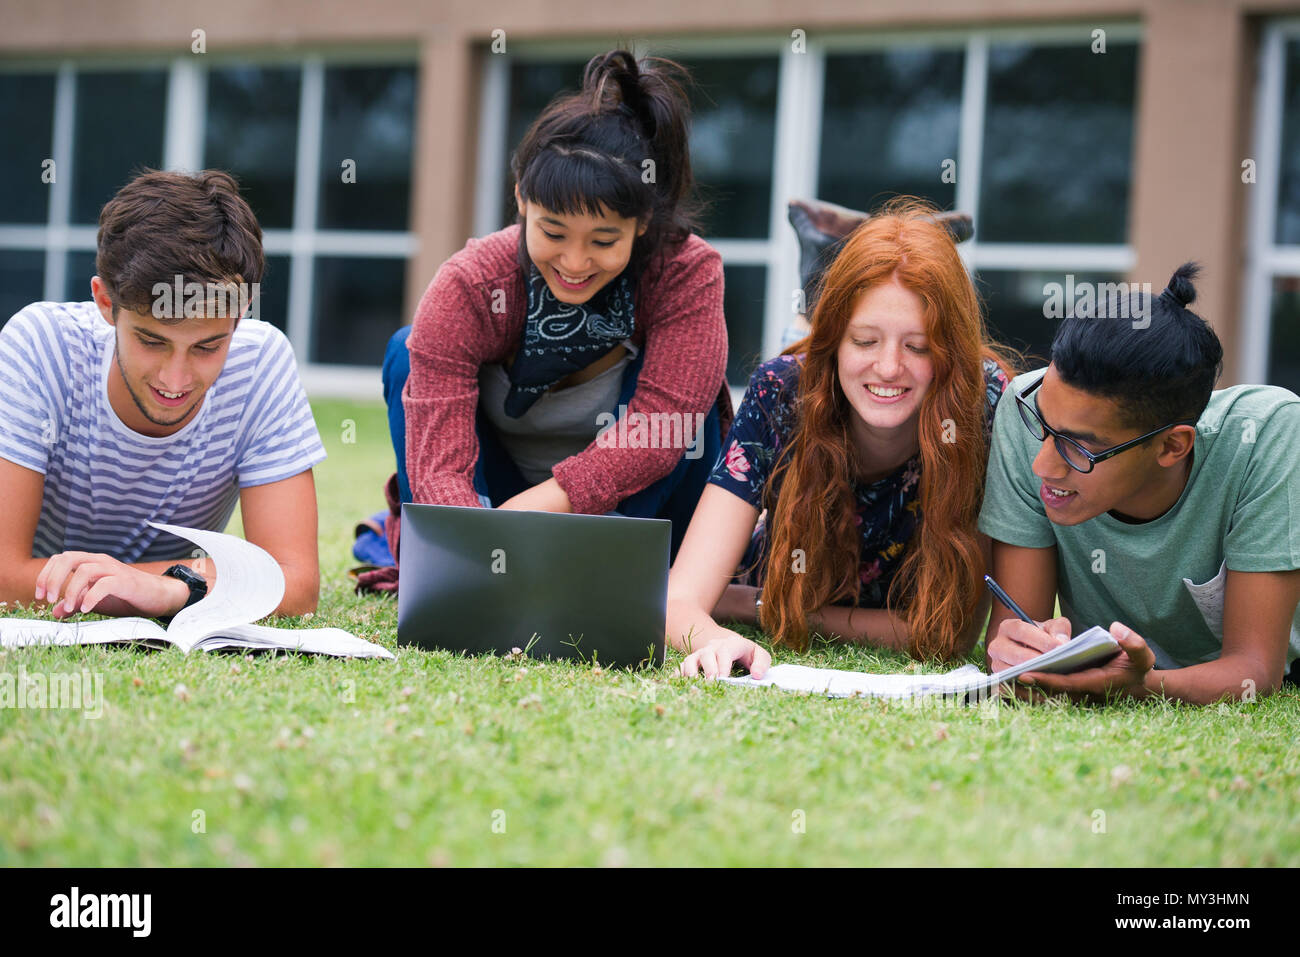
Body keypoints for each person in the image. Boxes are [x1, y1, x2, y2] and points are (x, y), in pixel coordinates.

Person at [363, 49, 729, 586]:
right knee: (405, 349)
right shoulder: (471, 283)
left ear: (644, 221)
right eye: (553, 233)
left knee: (694, 388)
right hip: (499, 506)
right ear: (521, 199)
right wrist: (472, 545)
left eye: (604, 240)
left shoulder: (685, 272)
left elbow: (660, 426)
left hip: (642, 509)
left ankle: (612, 572)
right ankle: (452, 559)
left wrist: (529, 515)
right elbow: (438, 461)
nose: (575, 263)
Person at [669, 199, 1017, 678]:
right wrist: (715, 638)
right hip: (779, 566)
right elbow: (678, 600)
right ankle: (825, 259)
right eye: (864, 341)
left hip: (765, 596)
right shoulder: (780, 389)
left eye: (918, 346)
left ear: (950, 352)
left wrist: (756, 609)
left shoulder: (983, 403)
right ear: (833, 341)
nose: (890, 367)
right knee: (805, 390)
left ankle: (832, 249)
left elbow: (948, 635)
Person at [0, 169, 326, 620]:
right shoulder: (41, 344)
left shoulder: (260, 363)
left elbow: (296, 583)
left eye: (208, 347)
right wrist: (201, 580)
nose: (175, 381)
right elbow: (2, 575)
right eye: (152, 341)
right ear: (105, 303)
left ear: (241, 314)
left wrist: (167, 590)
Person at [981, 264, 1300, 704]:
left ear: (1172, 446)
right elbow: (1014, 628)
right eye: (1045, 426)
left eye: (1079, 447)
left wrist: (1141, 687)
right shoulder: (1026, 407)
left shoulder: (1267, 434)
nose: (1044, 465)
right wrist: (1020, 650)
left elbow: (1256, 669)